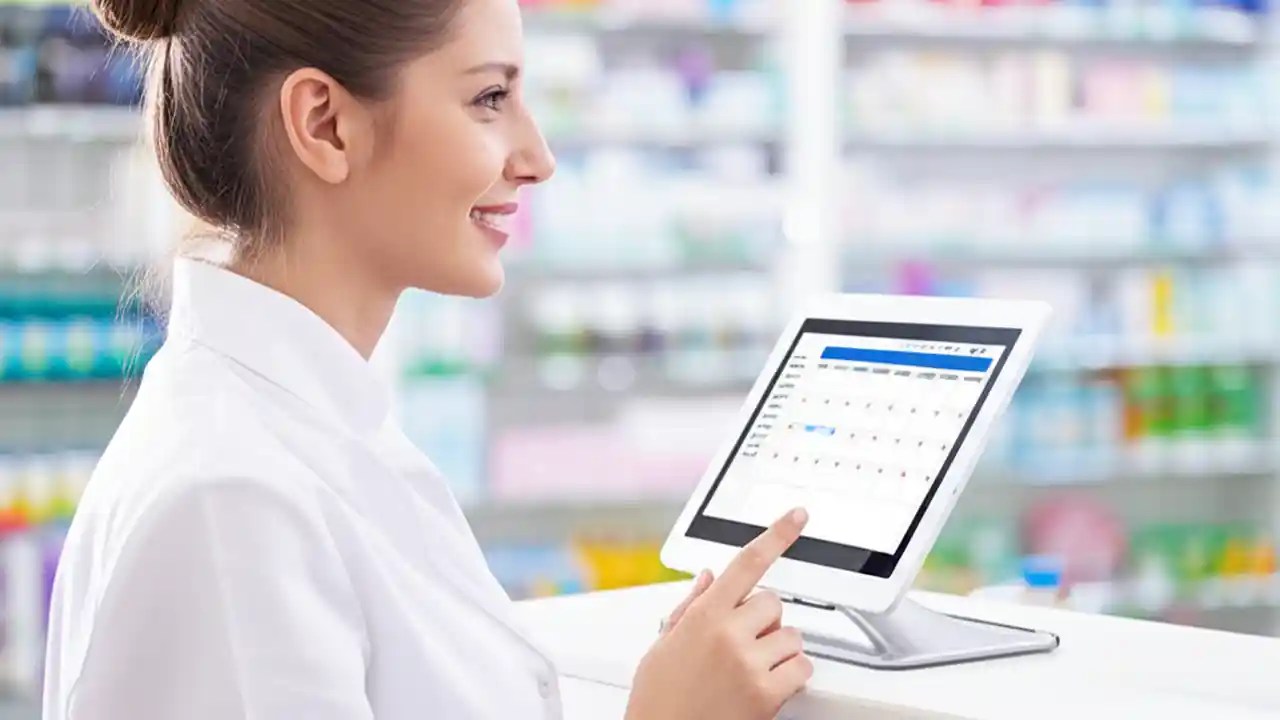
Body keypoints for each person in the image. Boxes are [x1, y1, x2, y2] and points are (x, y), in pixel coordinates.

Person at [43, 0, 815, 718]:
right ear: (326, 126)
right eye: (489, 99)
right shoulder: (233, 504)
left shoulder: (318, 433)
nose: (538, 158)